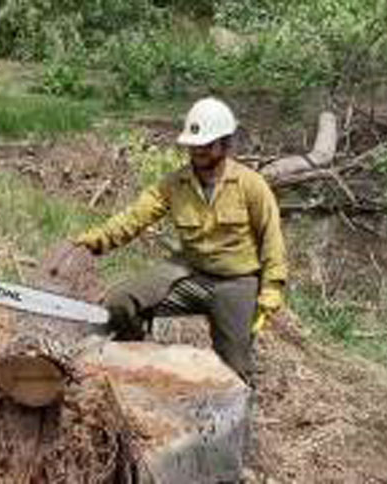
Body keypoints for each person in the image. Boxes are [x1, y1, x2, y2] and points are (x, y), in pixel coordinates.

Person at [70, 97, 287, 386]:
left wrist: (272, 287)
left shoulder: (251, 185)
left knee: (235, 369)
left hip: (236, 281)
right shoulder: (174, 184)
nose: (198, 151)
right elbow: (135, 217)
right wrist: (98, 240)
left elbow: (272, 238)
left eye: (206, 145)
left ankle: (236, 413)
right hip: (188, 270)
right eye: (193, 145)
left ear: (225, 143)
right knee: (120, 303)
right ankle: (140, 357)